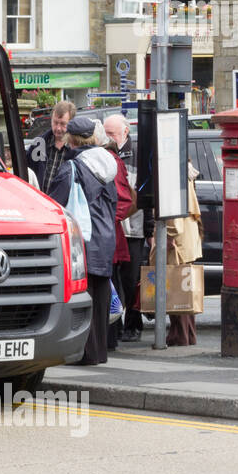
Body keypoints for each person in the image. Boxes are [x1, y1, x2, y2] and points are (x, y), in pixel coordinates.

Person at [48, 117, 117, 365]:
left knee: (82, 298)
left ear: (72, 139)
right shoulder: (109, 165)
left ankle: (84, 353)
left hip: (83, 240)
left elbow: (54, 204)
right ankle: (99, 353)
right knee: (100, 297)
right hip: (106, 238)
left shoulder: (72, 167)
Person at [104, 114, 144, 341]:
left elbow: (142, 196)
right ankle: (116, 325)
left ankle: (133, 324)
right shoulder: (106, 155)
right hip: (115, 228)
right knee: (115, 280)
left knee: (132, 280)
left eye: (112, 134)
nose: (109, 138)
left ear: (125, 132)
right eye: (106, 133)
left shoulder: (135, 154)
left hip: (133, 228)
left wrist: (149, 231)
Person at [160, 160, 203, 346]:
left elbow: (173, 211)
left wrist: (169, 235)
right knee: (186, 289)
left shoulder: (172, 174)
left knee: (175, 288)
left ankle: (179, 335)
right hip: (189, 235)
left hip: (178, 240)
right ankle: (189, 334)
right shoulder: (186, 170)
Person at [104, 128, 135, 350]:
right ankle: (111, 334)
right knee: (111, 285)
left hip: (110, 235)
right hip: (108, 235)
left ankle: (112, 335)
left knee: (112, 286)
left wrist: (105, 220)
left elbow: (126, 199)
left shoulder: (112, 161)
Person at [26, 100, 77, 194]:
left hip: (63, 206)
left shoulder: (76, 149)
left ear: (71, 123)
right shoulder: (39, 144)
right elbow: (27, 171)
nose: (57, 128)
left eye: (62, 124)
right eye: (55, 122)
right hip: (40, 201)